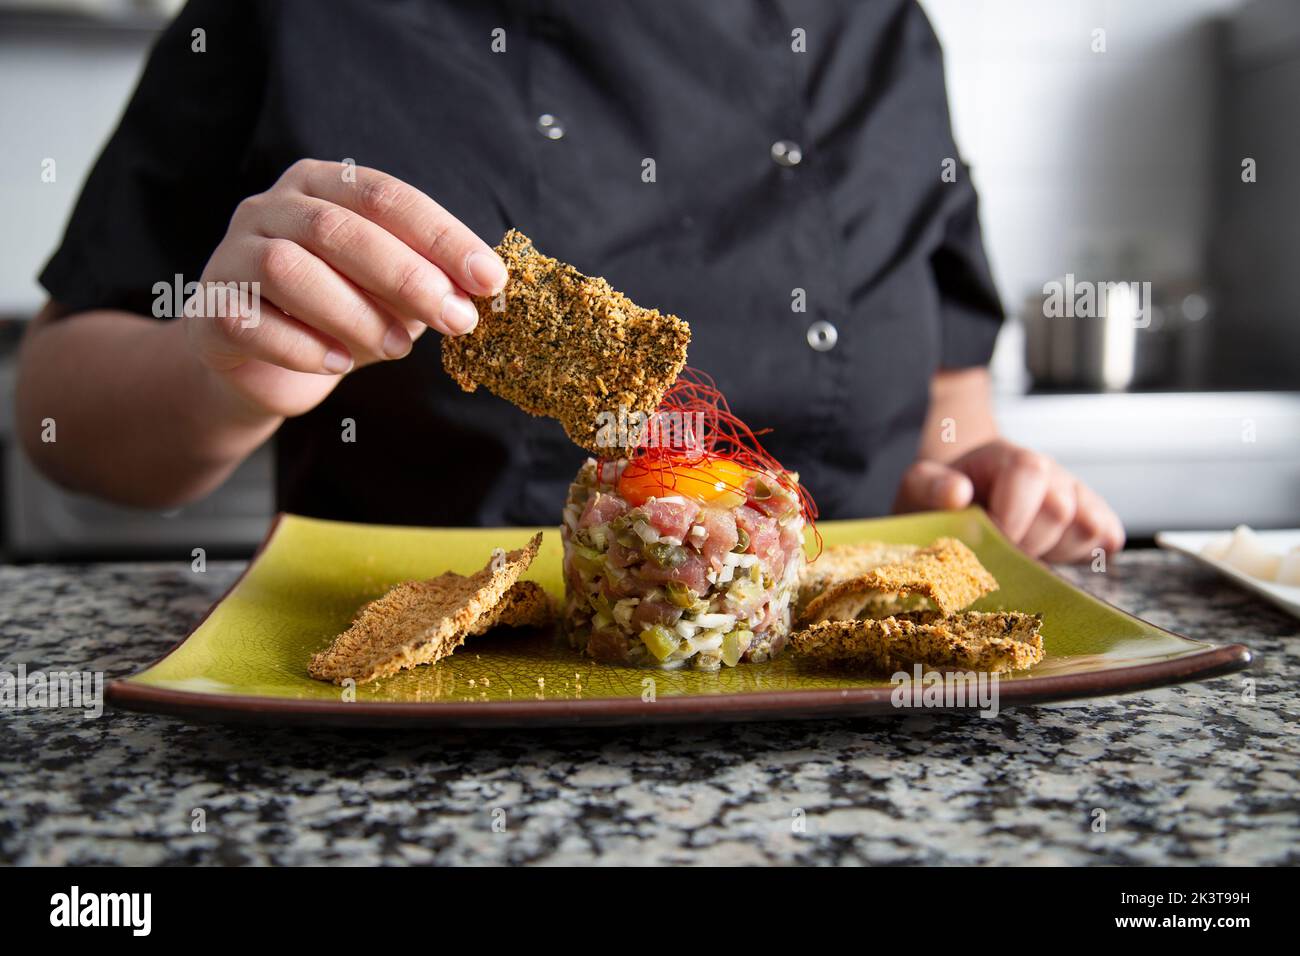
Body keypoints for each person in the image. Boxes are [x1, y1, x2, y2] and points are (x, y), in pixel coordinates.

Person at [16, 0, 1124, 563]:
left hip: (846, 714)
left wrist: (971, 486)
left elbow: (944, 410)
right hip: (426, 727)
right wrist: (224, 369)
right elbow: (55, 411)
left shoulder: (868, 23)